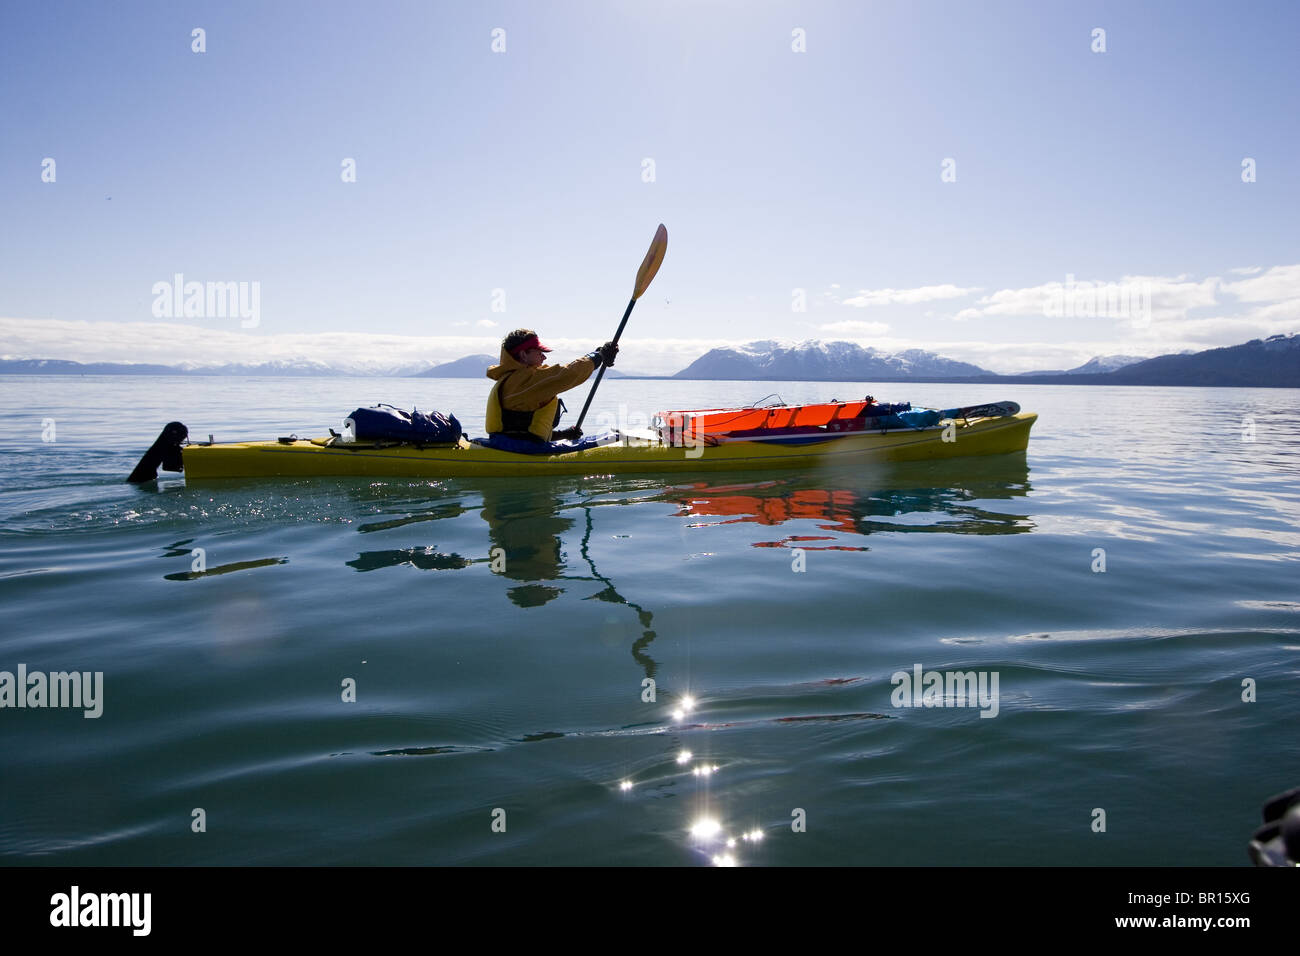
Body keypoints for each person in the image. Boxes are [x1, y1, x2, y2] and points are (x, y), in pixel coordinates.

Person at [485, 329, 619, 442]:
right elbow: (567, 374)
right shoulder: (522, 381)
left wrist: (562, 435)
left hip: (513, 445)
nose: (544, 357)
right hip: (521, 450)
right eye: (539, 352)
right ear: (523, 354)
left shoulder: (511, 379)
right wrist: (598, 356)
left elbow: (520, 431)